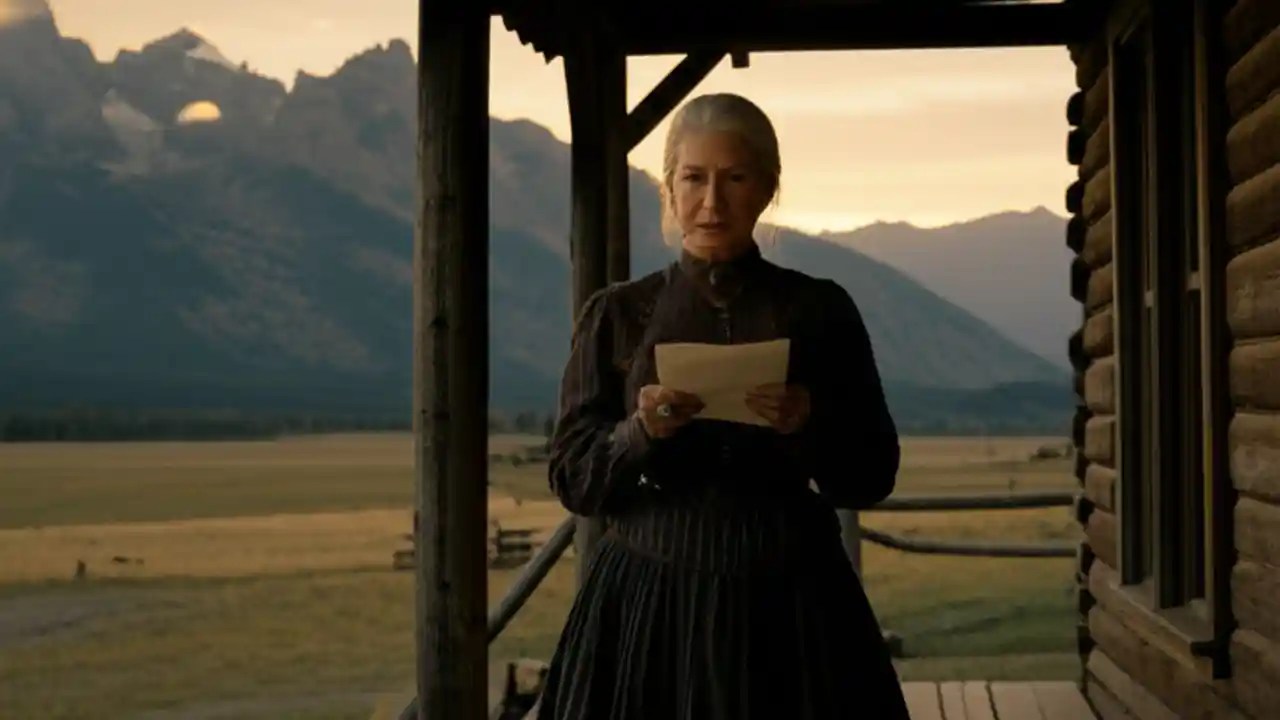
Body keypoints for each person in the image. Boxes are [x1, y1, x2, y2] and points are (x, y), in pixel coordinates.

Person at [538, 93, 909, 719]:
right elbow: (573, 480)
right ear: (670, 186)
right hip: (646, 607)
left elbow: (873, 473)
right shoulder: (619, 315)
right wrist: (639, 433)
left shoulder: (821, 311)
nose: (712, 202)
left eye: (734, 178)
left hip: (795, 610)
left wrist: (808, 424)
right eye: (694, 178)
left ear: (766, 188)